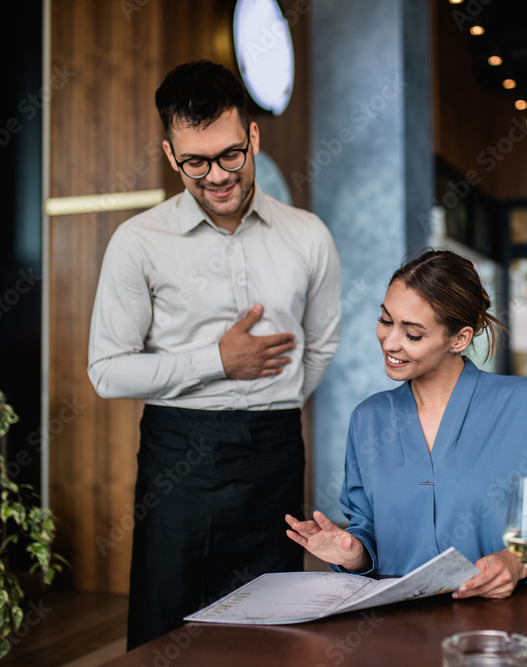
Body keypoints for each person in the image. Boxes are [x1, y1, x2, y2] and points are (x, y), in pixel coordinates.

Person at [87, 59, 341, 649]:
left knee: (272, 625)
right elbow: (106, 371)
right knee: (168, 629)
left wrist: (272, 399)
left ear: (253, 137)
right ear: (171, 155)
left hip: (275, 450)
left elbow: (322, 341)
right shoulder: (137, 242)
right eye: (194, 163)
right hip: (179, 450)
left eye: (229, 155)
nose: (217, 176)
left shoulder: (308, 236)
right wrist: (218, 363)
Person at [285, 249, 527, 599]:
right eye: (385, 320)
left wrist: (516, 562)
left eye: (412, 334)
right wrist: (354, 553)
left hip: (501, 620)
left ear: (459, 339)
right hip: (396, 624)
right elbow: (366, 529)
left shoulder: (523, 403)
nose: (390, 342)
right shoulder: (368, 419)